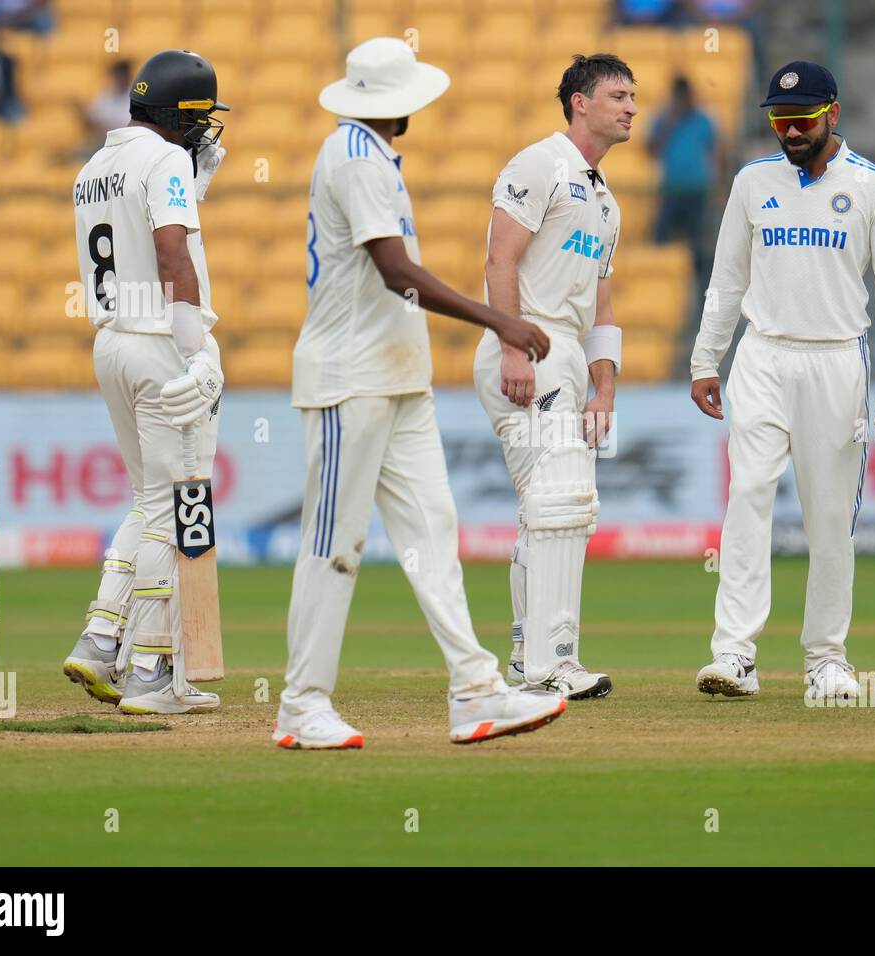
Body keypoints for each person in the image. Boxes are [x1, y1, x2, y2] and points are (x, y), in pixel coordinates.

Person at [275, 38, 567, 749]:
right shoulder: (353, 156)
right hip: (351, 377)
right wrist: (499, 318)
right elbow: (395, 270)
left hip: (397, 375)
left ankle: (475, 689)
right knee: (334, 541)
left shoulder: (371, 155)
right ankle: (301, 705)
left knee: (433, 532)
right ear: (400, 103)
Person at [688, 60, 875, 701]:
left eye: (803, 118)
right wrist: (707, 358)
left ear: (833, 114)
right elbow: (728, 278)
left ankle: (826, 659)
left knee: (828, 519)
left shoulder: (874, 187)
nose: (789, 129)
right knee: (748, 499)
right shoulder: (752, 183)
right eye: (780, 118)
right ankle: (734, 653)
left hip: (838, 360)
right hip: (761, 356)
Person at [62, 50, 230, 715]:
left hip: (111, 342)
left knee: (148, 497)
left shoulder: (95, 166)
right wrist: (195, 349)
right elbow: (168, 250)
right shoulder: (163, 161)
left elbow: (138, 236)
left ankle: (103, 637)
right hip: (161, 341)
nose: (205, 131)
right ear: (177, 115)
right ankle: (154, 674)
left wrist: (196, 184)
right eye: (198, 119)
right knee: (175, 503)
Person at [474, 53, 634, 701]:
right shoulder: (539, 163)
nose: (630, 106)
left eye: (633, 95)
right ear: (579, 103)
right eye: (617, 94)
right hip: (527, 342)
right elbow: (499, 259)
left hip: (566, 352)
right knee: (559, 503)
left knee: (550, 510)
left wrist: (605, 387)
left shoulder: (606, 201)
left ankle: (531, 652)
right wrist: (515, 346)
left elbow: (602, 304)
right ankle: (550, 662)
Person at [647, 74, 720, 285]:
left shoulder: (703, 119)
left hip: (698, 190)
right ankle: (660, 283)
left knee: (697, 243)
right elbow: (650, 149)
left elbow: (717, 151)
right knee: (661, 240)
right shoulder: (664, 118)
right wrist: (670, 123)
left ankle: (698, 290)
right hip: (670, 189)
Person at [77, 60, 133, 155]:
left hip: (128, 144)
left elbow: (130, 127)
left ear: (127, 77)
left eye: (122, 76)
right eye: (117, 76)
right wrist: (81, 113)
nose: (119, 80)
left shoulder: (137, 95)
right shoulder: (108, 93)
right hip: (106, 143)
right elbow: (93, 123)